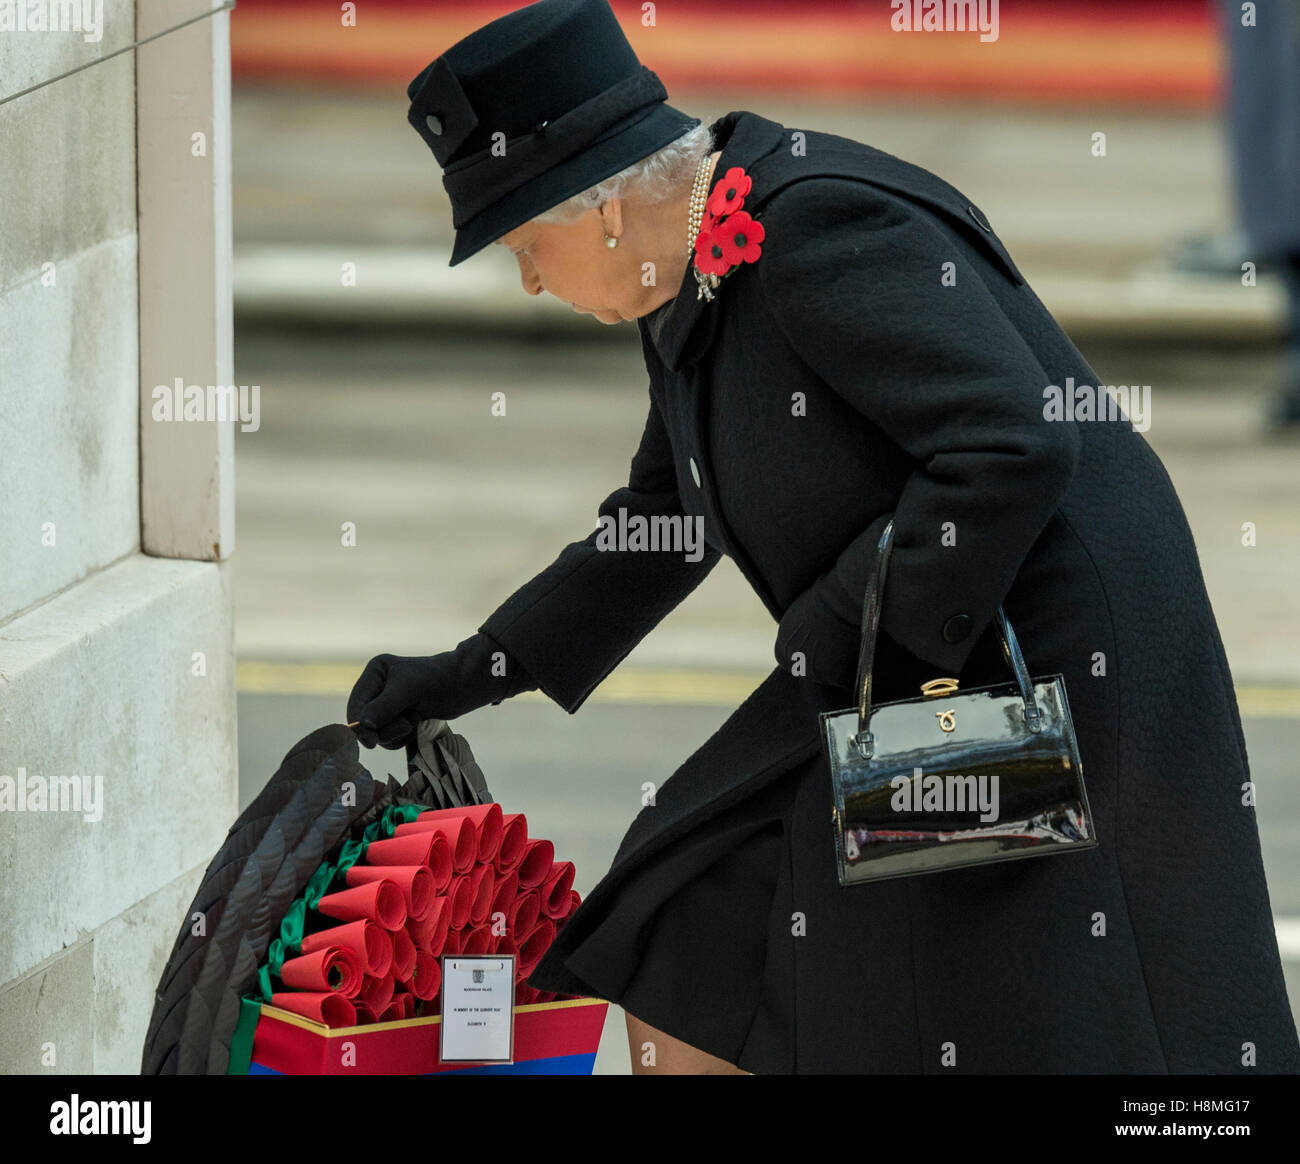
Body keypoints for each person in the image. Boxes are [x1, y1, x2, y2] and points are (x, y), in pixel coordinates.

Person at [348, 0, 1299, 1075]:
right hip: (900, 655)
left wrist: (838, 623)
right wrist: (476, 669)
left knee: (1039, 1003)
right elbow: (665, 522)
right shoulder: (686, 275)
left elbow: (1014, 444)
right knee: (689, 928)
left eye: (527, 245)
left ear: (602, 209)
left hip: (1039, 667)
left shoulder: (816, 228)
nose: (528, 281)